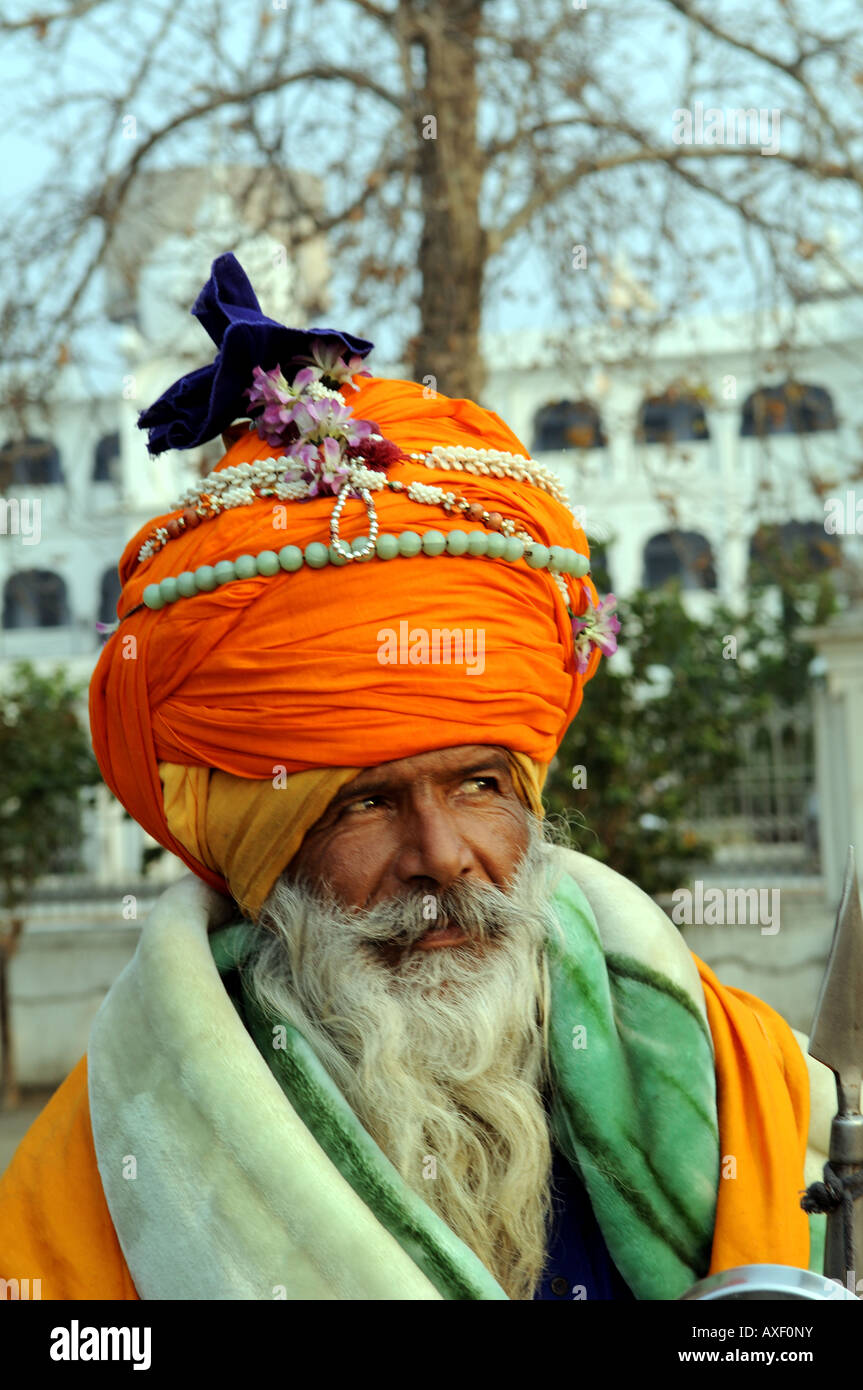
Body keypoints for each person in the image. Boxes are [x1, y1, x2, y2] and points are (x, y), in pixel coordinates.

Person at [0, 254, 831, 1300]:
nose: (442, 856)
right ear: (266, 853)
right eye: (363, 801)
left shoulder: (731, 1070)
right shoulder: (94, 1181)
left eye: (478, 785)